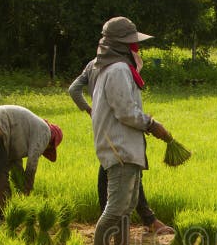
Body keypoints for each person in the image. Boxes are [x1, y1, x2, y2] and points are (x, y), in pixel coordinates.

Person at [87, 16, 174, 245]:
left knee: (124, 210)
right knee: (114, 210)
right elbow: (125, 112)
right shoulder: (117, 71)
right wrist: (152, 124)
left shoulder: (110, 68)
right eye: (133, 43)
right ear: (122, 45)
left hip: (125, 146)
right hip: (120, 147)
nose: (137, 48)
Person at [69, 59, 174, 235]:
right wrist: (150, 124)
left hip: (104, 124)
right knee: (126, 172)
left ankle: (126, 222)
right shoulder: (119, 66)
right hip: (121, 128)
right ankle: (137, 222)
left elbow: (73, 89)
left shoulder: (93, 64)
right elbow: (126, 110)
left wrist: (90, 110)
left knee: (112, 168)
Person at [0, 105, 63, 219]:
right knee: (1, 174)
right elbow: (32, 164)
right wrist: (27, 191)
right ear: (52, 142)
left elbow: (15, 160)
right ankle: (8, 216)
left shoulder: (32, 128)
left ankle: (2, 215)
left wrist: (20, 180)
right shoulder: (45, 132)